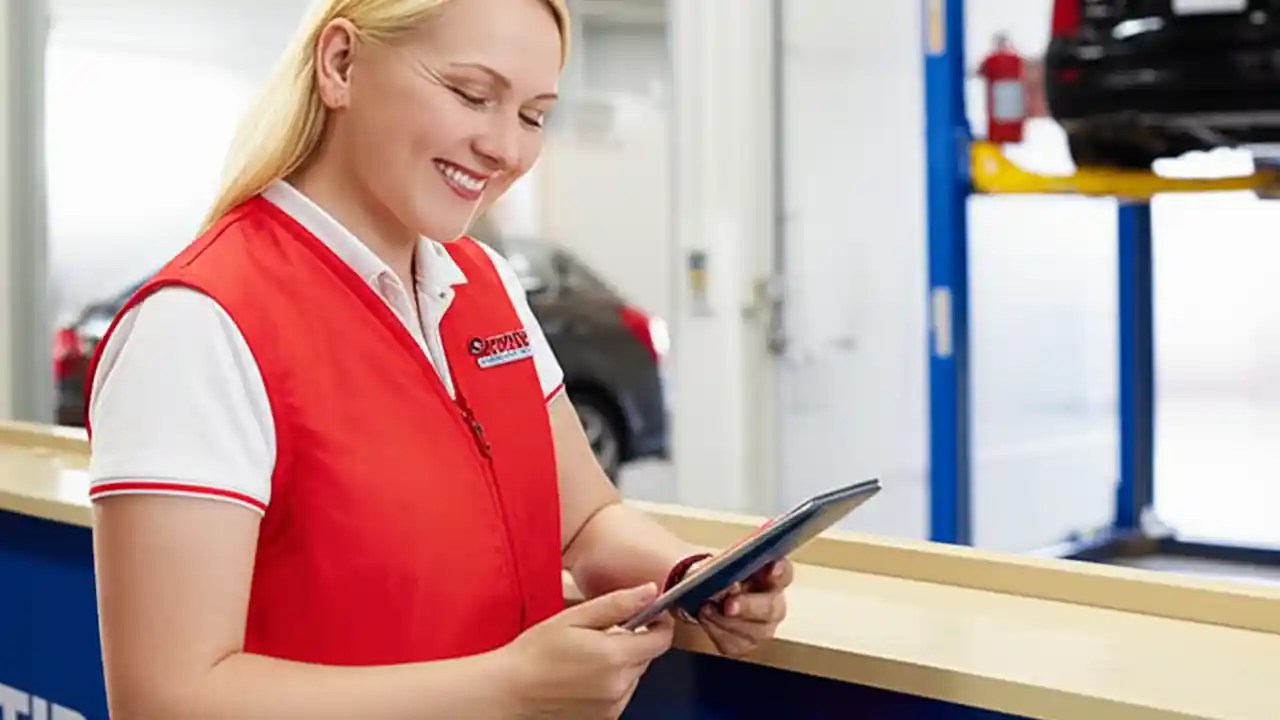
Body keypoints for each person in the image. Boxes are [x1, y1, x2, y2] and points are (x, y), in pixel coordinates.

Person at [84, 0, 793, 717]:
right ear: (341, 64)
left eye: (533, 115)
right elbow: (166, 698)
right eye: (472, 95)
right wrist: (509, 688)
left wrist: (695, 576)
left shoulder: (484, 287)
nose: (505, 150)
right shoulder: (200, 325)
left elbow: (583, 522)